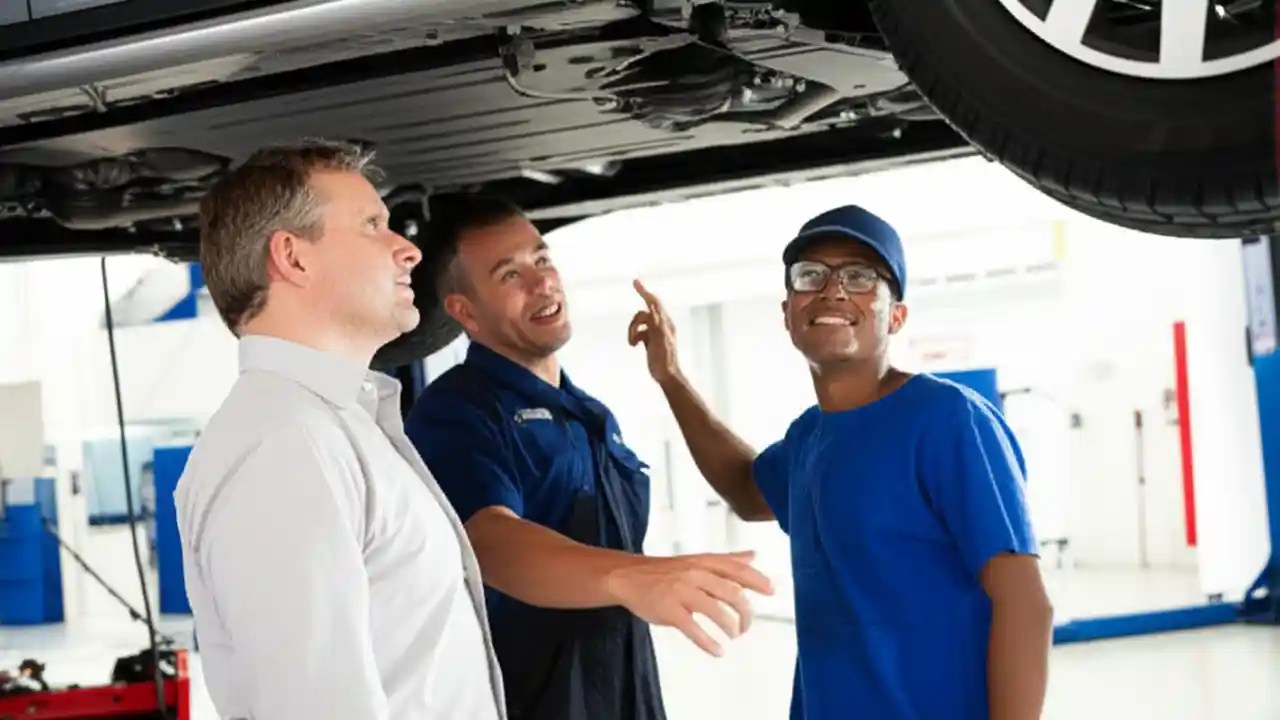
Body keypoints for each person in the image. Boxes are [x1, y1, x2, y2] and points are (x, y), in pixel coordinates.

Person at [629, 205, 1055, 720]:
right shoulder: (810, 436)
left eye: (859, 276)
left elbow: (1025, 605)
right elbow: (746, 490)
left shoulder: (946, 420)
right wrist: (671, 377)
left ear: (895, 314)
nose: (833, 290)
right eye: (812, 275)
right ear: (788, 312)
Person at [403, 194, 774, 720]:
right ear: (465, 311)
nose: (541, 283)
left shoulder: (589, 415)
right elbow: (486, 541)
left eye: (542, 259)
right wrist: (630, 576)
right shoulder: (456, 413)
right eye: (510, 276)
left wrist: (670, 377)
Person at [174, 140, 505, 720]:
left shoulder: (332, 425)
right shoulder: (282, 447)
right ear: (294, 258)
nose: (407, 249)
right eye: (373, 225)